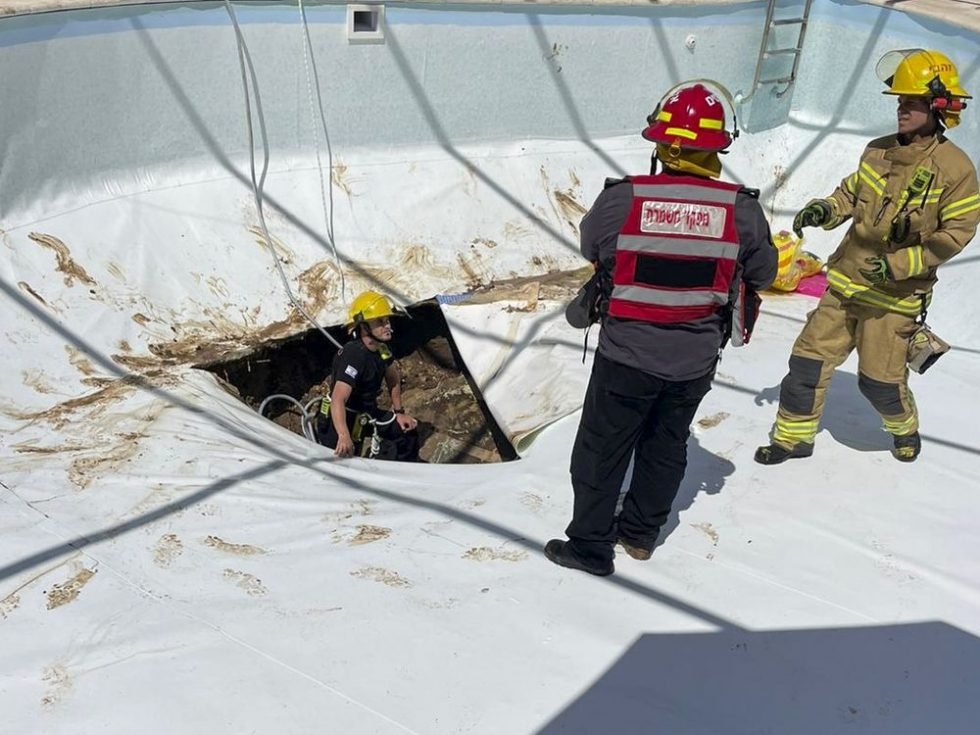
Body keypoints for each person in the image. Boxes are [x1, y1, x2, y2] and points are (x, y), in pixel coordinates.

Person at [545, 81, 778, 576]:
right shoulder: (742, 210)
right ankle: (640, 535)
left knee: (601, 450)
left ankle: (589, 546)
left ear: (664, 145)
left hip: (625, 356)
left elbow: (594, 249)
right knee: (666, 443)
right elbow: (764, 275)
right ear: (716, 147)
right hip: (693, 362)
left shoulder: (623, 199)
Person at [756, 49, 979, 466]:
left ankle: (904, 428)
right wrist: (826, 209)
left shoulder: (957, 170)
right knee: (807, 364)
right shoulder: (877, 151)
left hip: (894, 298)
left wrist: (896, 265)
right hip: (845, 282)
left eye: (911, 103)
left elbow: (956, 235)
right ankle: (792, 439)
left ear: (939, 108)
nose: (901, 109)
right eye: (899, 101)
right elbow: (852, 192)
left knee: (879, 383)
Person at [317, 290, 421, 461]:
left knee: (407, 433)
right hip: (340, 418)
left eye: (387, 320)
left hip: (366, 413)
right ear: (364, 327)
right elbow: (338, 399)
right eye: (380, 322)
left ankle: (398, 475)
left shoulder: (382, 350)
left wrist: (399, 412)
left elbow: (393, 378)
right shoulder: (354, 355)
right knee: (345, 461)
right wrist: (343, 435)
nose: (387, 325)